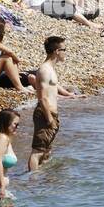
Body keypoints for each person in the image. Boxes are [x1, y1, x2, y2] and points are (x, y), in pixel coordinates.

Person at [28, 35, 65, 172]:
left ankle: (42, 181)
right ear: (56, 51)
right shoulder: (44, 70)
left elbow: (54, 88)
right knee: (37, 151)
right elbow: (42, 97)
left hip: (51, 114)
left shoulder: (50, 69)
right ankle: (32, 180)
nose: (65, 53)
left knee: (46, 151)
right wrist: (49, 118)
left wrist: (69, 95)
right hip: (45, 114)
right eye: (64, 50)